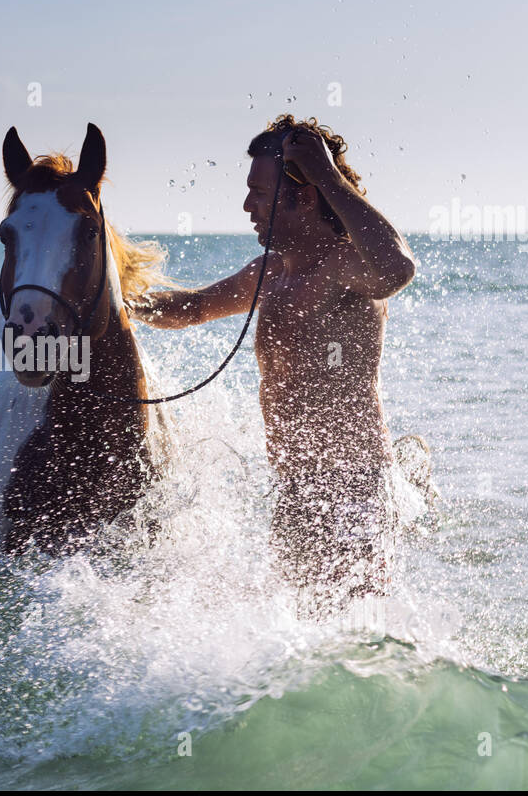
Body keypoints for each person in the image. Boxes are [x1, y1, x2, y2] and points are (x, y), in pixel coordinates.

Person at [129, 115, 419, 616]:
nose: (247, 207)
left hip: (351, 485)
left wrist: (327, 176)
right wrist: (111, 301)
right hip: (293, 488)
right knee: (302, 631)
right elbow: (192, 308)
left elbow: (398, 268)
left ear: (304, 196)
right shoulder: (270, 271)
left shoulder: (341, 263)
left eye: (259, 194)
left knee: (352, 632)